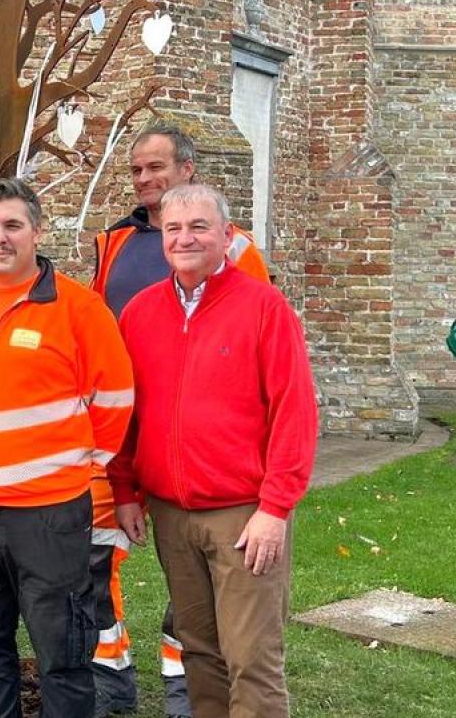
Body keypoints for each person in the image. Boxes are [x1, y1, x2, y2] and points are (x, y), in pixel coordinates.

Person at [0, 177, 134, 718]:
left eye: (12, 225)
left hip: (49, 514)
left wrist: (69, 467)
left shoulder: (79, 309)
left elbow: (114, 403)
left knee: (63, 655)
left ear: (37, 232)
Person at [110, 184, 318, 718]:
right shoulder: (140, 313)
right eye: (174, 228)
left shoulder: (264, 307)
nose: (185, 238)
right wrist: (126, 490)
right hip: (172, 515)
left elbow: (294, 413)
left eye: (199, 227)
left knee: (251, 658)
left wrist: (275, 509)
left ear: (227, 237)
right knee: (199, 653)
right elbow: (127, 413)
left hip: (243, 516)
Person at [87, 121, 271, 718]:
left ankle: (184, 685)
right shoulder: (114, 241)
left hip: (199, 445)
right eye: (136, 169)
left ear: (187, 169)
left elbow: (257, 339)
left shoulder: (235, 247)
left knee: (197, 578)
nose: (144, 178)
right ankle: (109, 674)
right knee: (93, 556)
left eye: (156, 167)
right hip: (123, 434)